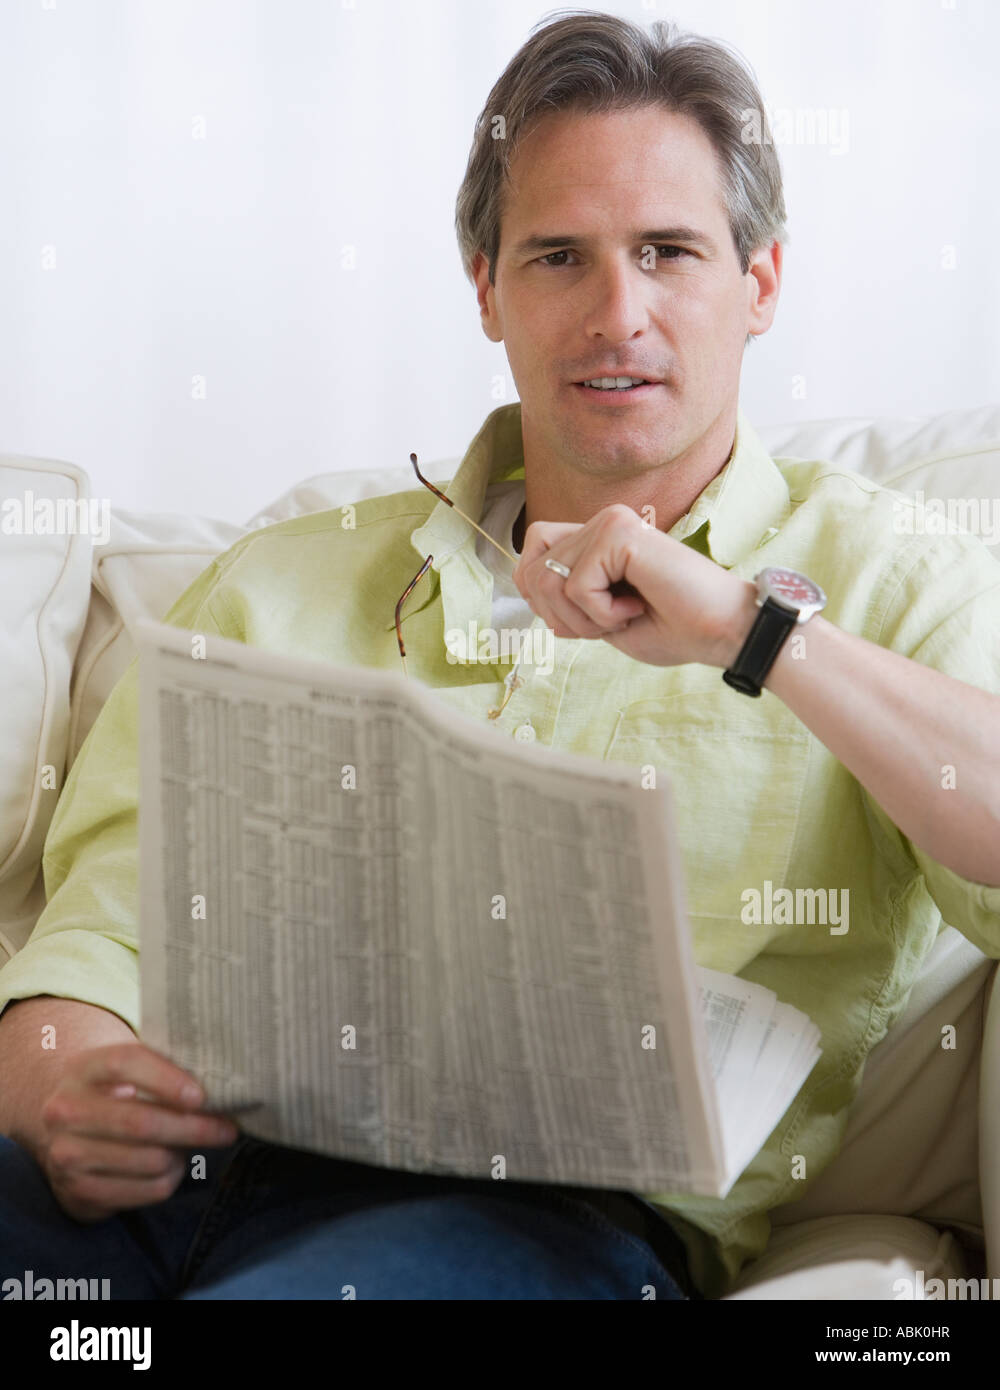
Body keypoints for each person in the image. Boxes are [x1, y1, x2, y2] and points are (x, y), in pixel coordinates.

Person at [1, 10, 998, 1302]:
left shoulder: (883, 568)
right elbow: (94, 938)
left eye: (668, 251)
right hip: (181, 1175)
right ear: (486, 287)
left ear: (759, 282)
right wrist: (62, 1071)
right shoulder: (271, 587)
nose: (616, 312)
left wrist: (758, 636)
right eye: (558, 257)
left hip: (552, 1223)